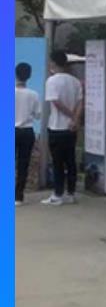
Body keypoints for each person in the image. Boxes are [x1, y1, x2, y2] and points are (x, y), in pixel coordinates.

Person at [41, 50, 83, 206]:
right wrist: (75, 119)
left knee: (57, 162)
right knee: (71, 161)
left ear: (53, 62)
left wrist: (71, 115)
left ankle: (58, 194)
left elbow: (56, 102)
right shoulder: (75, 81)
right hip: (71, 128)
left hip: (57, 126)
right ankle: (71, 193)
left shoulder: (52, 81)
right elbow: (80, 102)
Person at [15, 62, 40, 205]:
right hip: (27, 131)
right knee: (23, 164)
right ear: (29, 76)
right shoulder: (34, 94)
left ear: (15, 74)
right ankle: (18, 197)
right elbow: (38, 115)